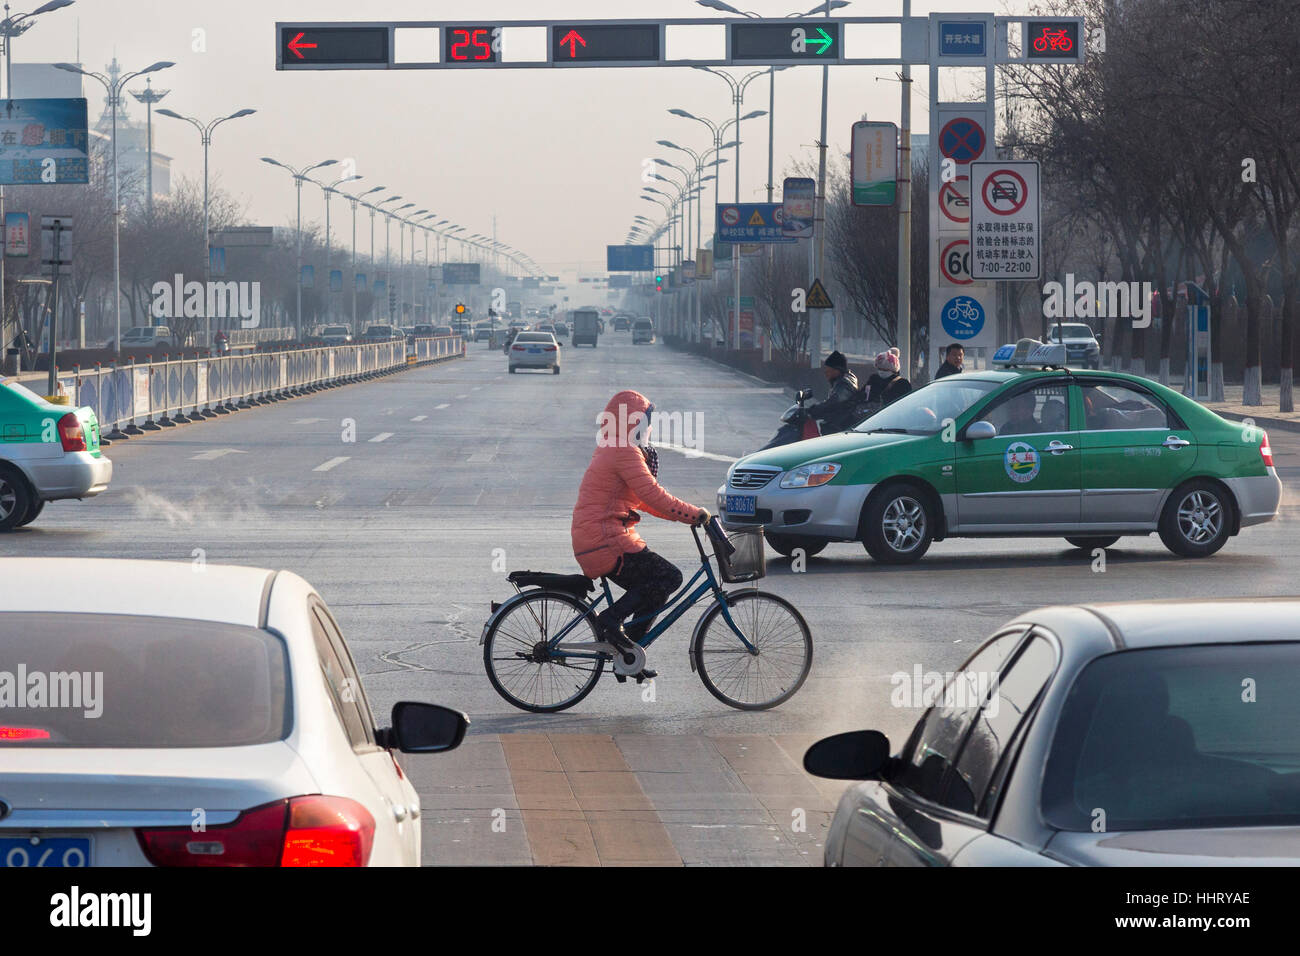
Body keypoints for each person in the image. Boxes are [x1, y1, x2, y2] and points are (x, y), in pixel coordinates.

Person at [571, 390, 708, 679]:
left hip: (603, 537)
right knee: (669, 577)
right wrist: (696, 515)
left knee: (658, 583)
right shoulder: (623, 450)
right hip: (605, 541)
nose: (649, 428)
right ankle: (612, 622)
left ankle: (627, 653)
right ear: (632, 421)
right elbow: (653, 494)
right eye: (646, 421)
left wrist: (683, 517)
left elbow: (642, 500)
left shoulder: (614, 445)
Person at [806, 350, 861, 433]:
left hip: (841, 426)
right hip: (841, 423)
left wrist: (813, 410)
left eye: (828, 370)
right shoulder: (843, 380)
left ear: (837, 370)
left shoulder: (844, 383)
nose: (825, 373)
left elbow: (834, 401)